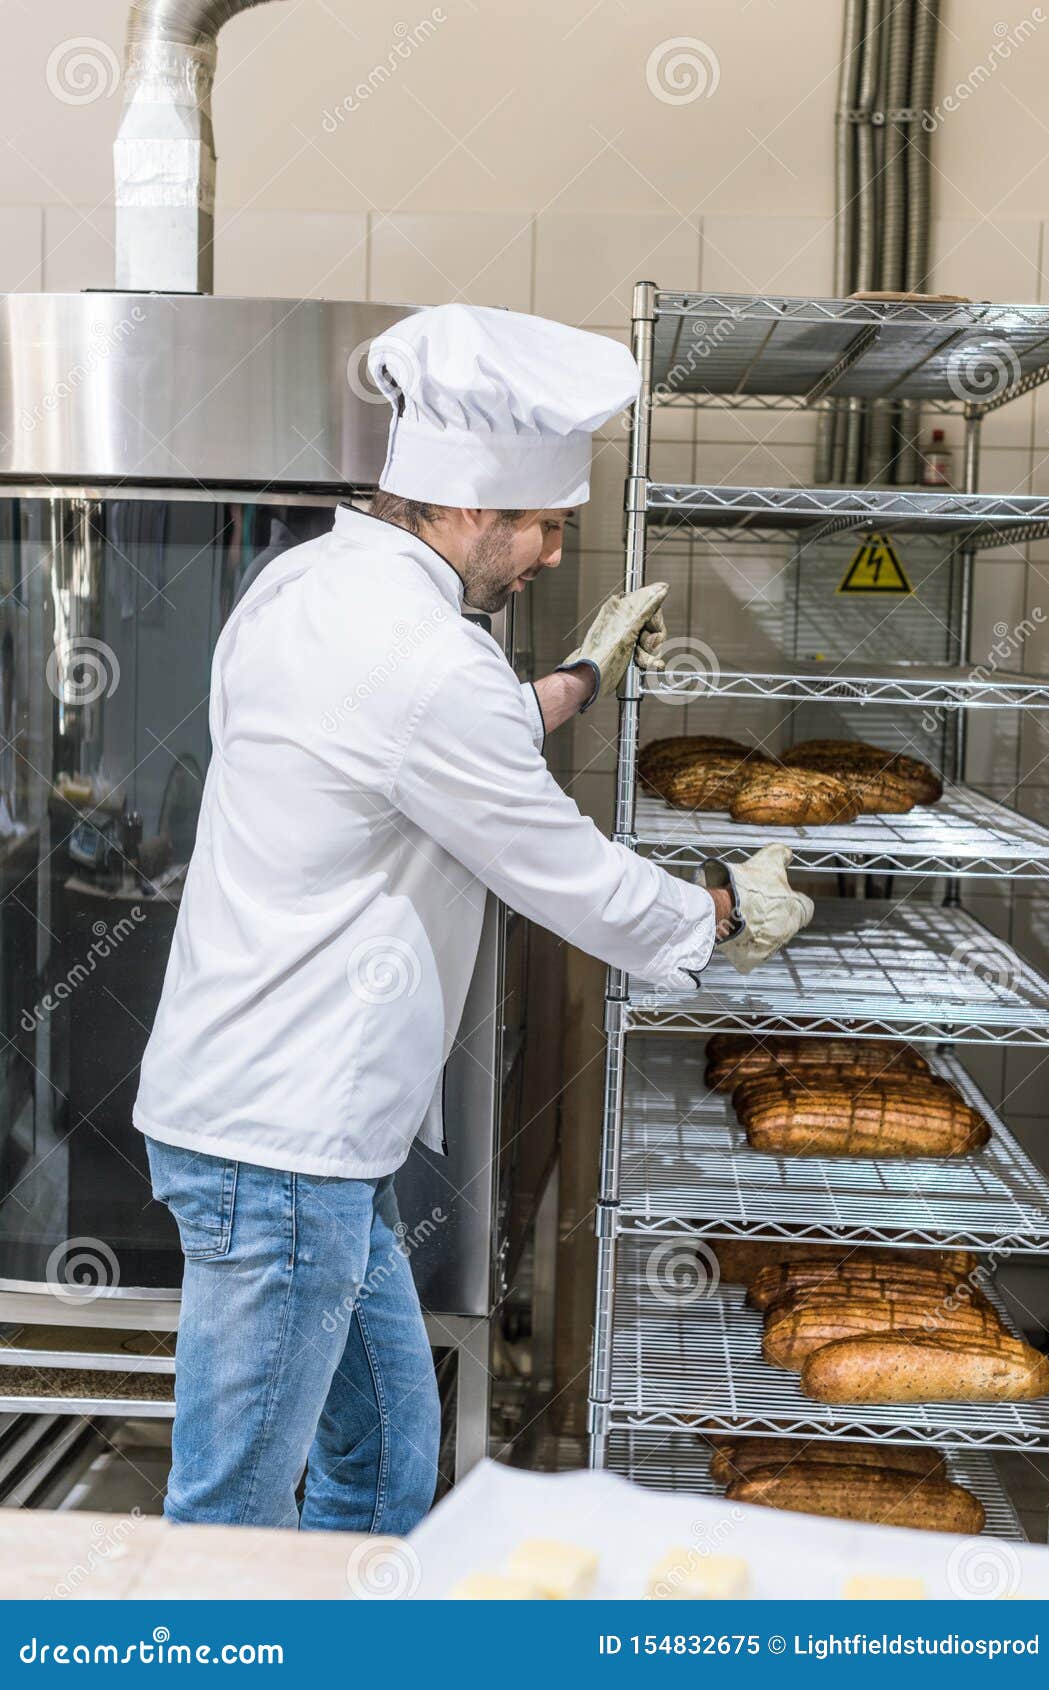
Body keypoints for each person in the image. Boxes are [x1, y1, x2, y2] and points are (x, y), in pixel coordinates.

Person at [133, 304, 811, 1533]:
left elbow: (425, 742)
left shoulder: (314, 583)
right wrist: (715, 914)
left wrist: (587, 674)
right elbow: (553, 862)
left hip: (292, 1139)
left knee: (388, 1459)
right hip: (282, 1148)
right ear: (464, 511)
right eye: (546, 525)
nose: (555, 552)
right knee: (230, 1509)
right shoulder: (426, 662)